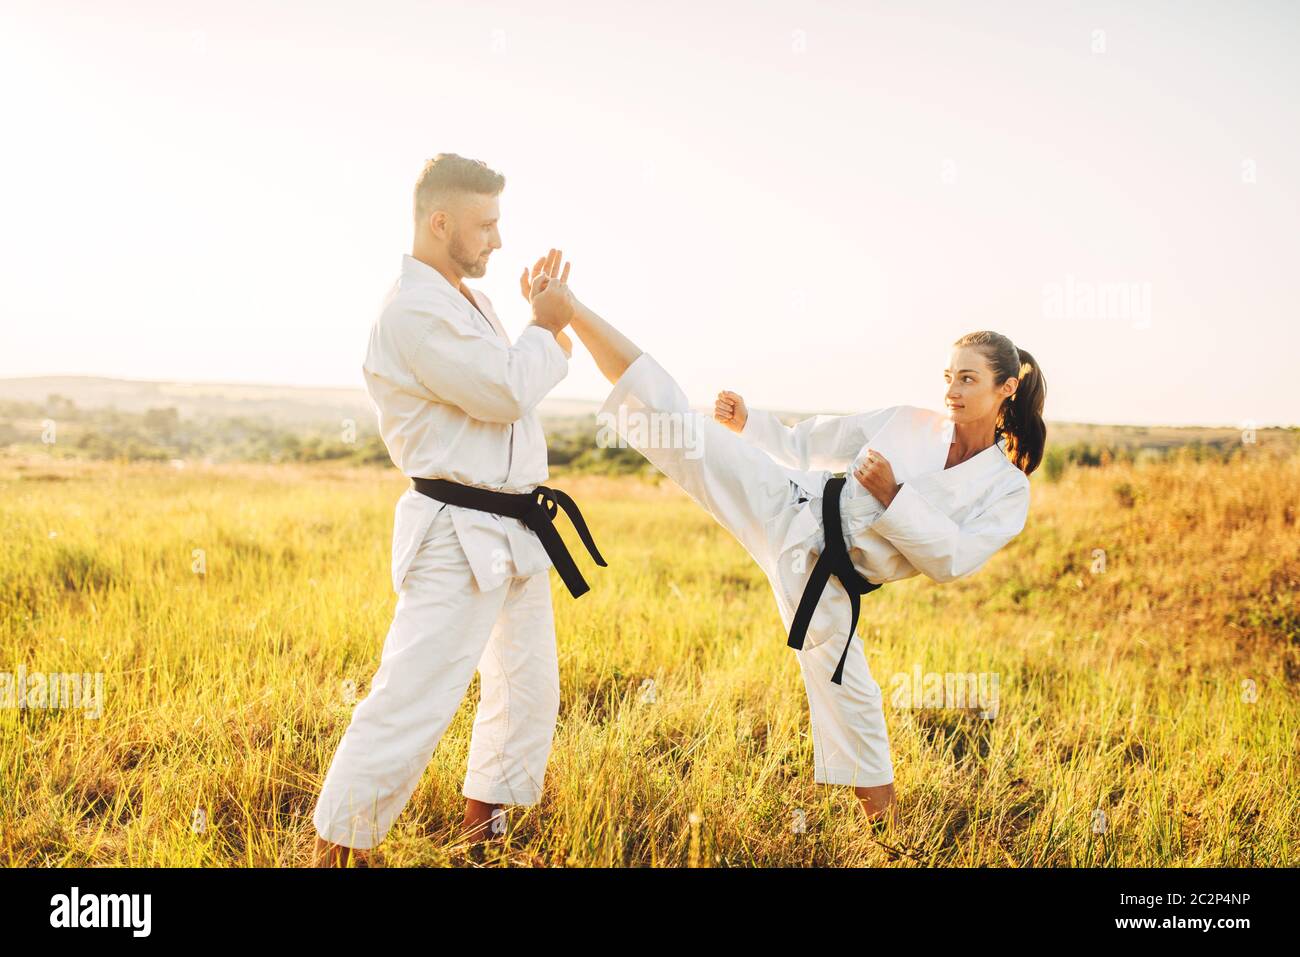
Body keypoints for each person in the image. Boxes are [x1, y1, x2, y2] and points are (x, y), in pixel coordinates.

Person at [555, 272, 1045, 827]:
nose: (952, 390)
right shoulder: (910, 421)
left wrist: (893, 495)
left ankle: (885, 841)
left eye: (968, 379)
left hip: (834, 578)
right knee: (675, 423)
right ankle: (572, 308)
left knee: (854, 697)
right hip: (789, 504)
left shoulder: (1007, 489)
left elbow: (953, 559)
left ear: (1005, 388)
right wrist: (751, 425)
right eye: (949, 376)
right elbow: (815, 442)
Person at [310, 155, 599, 866]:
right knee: (413, 697)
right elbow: (503, 391)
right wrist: (544, 322)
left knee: (526, 691)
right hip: (454, 532)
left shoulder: (467, 299)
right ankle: (339, 850)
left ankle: (484, 840)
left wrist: (548, 329)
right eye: (486, 224)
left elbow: (511, 392)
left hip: (514, 529)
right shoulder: (410, 311)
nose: (497, 241)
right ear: (440, 222)